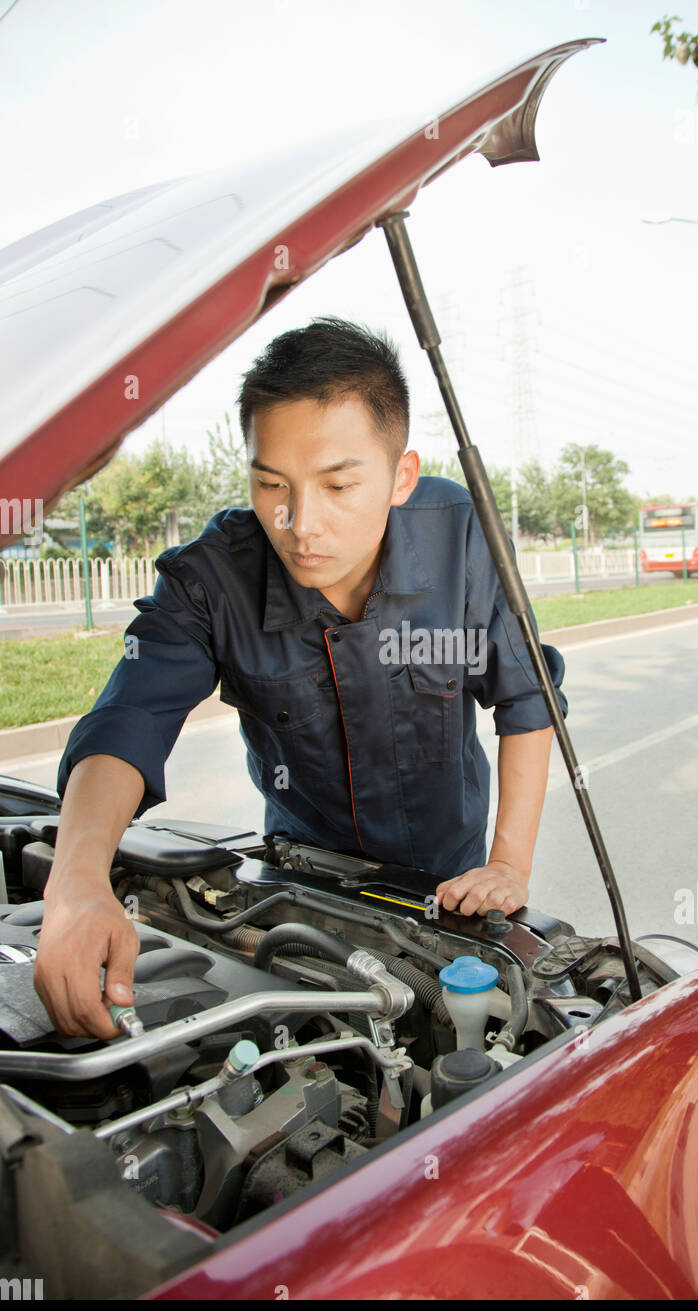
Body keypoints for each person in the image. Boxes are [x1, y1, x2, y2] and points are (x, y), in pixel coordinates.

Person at [34, 318, 567, 1039]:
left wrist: (508, 864)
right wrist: (76, 884)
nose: (299, 523)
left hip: (448, 890)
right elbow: (129, 719)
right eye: (270, 482)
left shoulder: (461, 535)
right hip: (300, 892)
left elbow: (527, 698)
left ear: (399, 477)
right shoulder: (213, 579)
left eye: (339, 484)